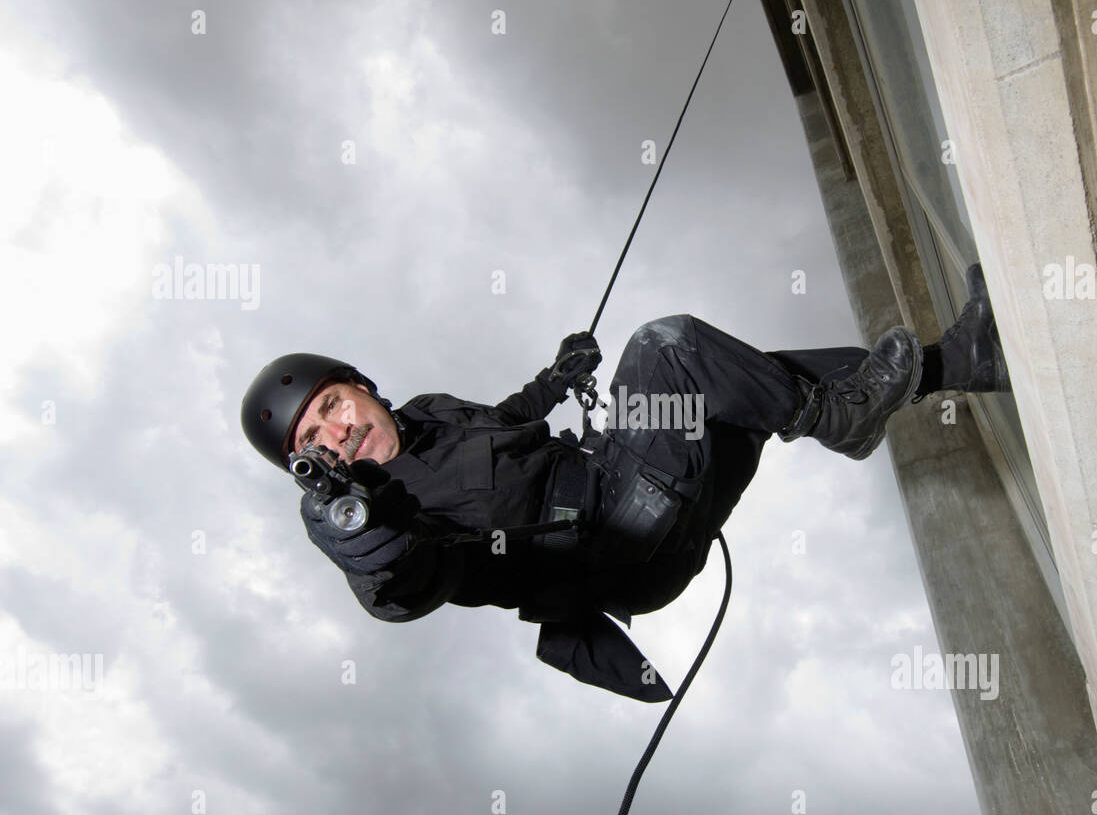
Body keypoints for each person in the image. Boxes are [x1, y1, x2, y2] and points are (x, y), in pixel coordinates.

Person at [241, 263, 1010, 702]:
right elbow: (404, 583)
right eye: (315, 439)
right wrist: (365, 545)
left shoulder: (428, 413)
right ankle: (844, 420)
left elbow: (506, 420)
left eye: (333, 405)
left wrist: (556, 376)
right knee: (666, 348)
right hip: (618, 539)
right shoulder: (390, 515)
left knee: (749, 380)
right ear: (323, 469)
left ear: (360, 386)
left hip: (623, 477)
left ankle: (968, 359)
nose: (337, 430)